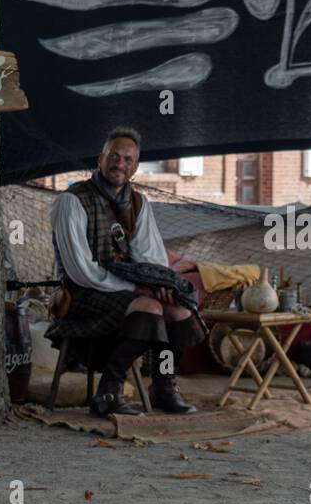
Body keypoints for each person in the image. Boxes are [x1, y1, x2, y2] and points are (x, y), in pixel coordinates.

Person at [46, 126, 202, 416]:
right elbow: (80, 270)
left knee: (178, 309)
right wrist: (137, 290)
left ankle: (164, 386)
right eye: (114, 156)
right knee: (148, 307)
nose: (120, 163)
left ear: (135, 167)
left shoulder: (138, 203)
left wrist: (158, 284)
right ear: (100, 158)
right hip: (81, 294)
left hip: (127, 292)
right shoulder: (72, 201)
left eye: (128, 160)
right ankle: (109, 391)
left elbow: (151, 257)